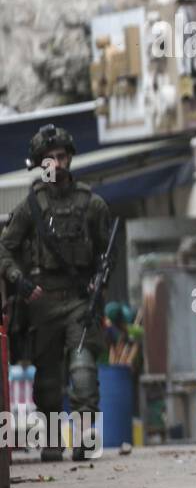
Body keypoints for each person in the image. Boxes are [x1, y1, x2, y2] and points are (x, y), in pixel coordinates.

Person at [0, 125, 111, 461]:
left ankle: (87, 439)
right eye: (49, 159)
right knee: (47, 381)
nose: (57, 164)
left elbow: (107, 253)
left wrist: (99, 280)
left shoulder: (91, 204)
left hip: (79, 300)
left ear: (70, 158)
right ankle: (50, 442)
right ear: (39, 163)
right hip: (42, 303)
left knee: (84, 371)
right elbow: (5, 248)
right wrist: (19, 279)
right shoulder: (30, 207)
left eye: (62, 156)